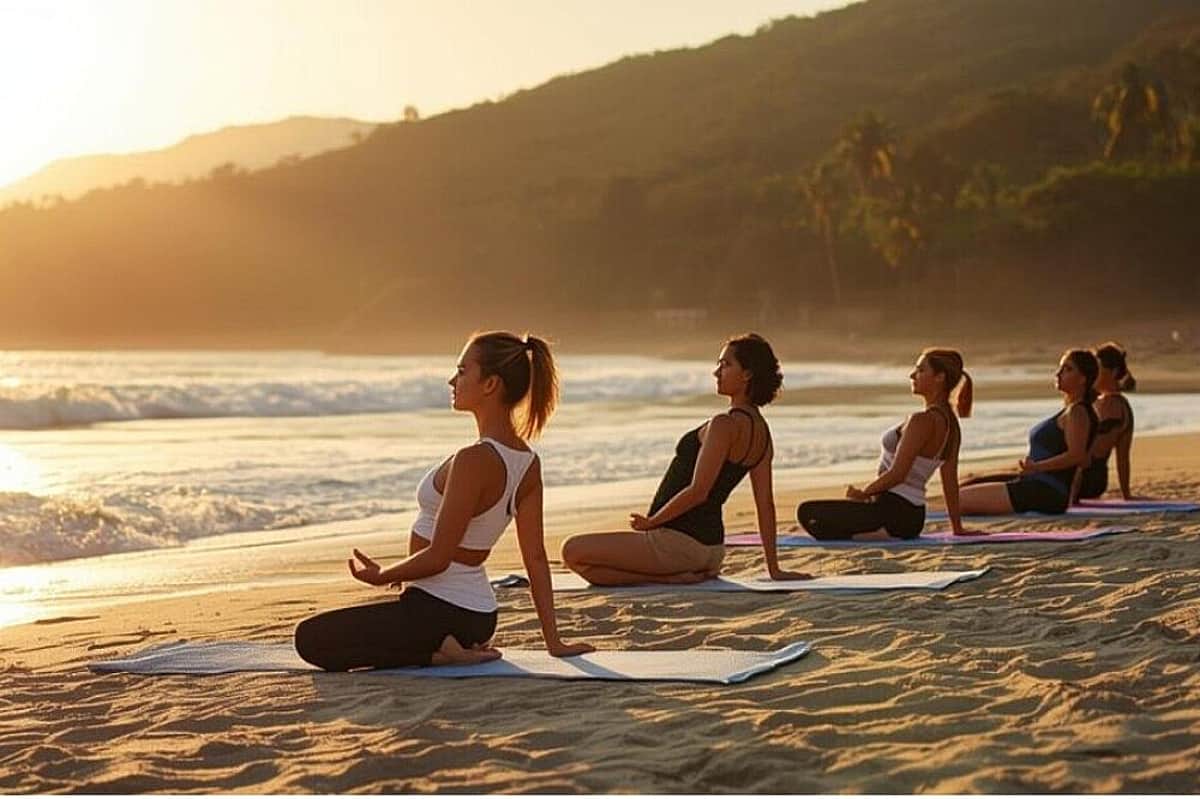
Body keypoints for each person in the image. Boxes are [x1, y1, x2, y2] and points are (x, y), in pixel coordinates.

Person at [294, 331, 592, 671]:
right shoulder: (528, 462)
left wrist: (381, 574)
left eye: (463, 371)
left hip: (437, 611)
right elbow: (536, 558)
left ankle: (439, 652)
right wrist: (553, 642)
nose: (453, 380)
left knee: (311, 639)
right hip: (478, 617)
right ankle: (444, 649)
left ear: (490, 384)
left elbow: (439, 557)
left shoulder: (473, 459)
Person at [561, 333, 808, 585]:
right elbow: (765, 504)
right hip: (712, 551)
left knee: (572, 552)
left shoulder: (724, 425)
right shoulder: (762, 434)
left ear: (747, 375)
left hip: (677, 544)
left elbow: (698, 491)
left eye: (726, 365)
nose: (716, 372)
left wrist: (651, 522)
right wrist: (774, 569)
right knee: (588, 562)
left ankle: (670, 578)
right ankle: (670, 576)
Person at [796, 349, 975, 540]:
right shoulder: (951, 425)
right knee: (826, 517)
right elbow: (949, 481)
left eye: (921, 370)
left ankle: (872, 534)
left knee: (807, 512)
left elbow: (898, 474)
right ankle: (871, 532)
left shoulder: (921, 421)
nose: (912, 375)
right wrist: (957, 528)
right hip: (913, 517)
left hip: (891, 511)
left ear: (939, 378)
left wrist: (863, 493)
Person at [959, 349, 1099, 515]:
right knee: (962, 488)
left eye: (1067, 369)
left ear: (1083, 379)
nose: (1058, 373)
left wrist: (1037, 467)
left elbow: (1077, 456)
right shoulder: (1071, 410)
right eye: (1060, 368)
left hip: (1045, 491)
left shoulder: (1078, 412)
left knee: (957, 500)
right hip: (1035, 482)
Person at [1073, 342, 1136, 501]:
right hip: (1098, 482)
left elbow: (1085, 454)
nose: (1092, 374)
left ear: (1113, 372)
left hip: (1083, 480)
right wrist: (1126, 495)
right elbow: (1123, 458)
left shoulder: (1108, 405)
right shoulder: (1123, 406)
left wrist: (1071, 494)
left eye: (1098, 369)